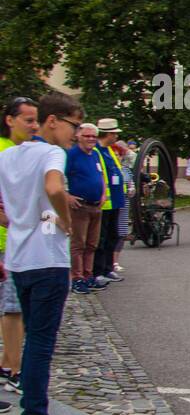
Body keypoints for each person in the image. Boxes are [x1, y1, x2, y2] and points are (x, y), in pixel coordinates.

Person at [0, 92, 84, 415]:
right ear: (53, 121)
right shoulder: (52, 152)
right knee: (40, 343)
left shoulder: (9, 155)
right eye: (73, 126)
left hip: (19, 258)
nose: (76, 134)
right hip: (47, 258)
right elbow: (53, 187)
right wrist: (65, 218)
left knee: (34, 339)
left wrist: (17, 220)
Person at [0, 96, 38, 391]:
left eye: (36, 120)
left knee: (18, 307)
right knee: (12, 309)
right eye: (28, 120)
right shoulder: (3, 151)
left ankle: (9, 363)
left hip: (21, 243)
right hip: (6, 242)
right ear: (9, 120)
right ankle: (11, 369)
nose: (34, 126)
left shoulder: (28, 152)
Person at [65, 124, 106, 294]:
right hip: (80, 205)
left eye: (93, 136)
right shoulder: (71, 155)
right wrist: (67, 196)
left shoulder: (95, 154)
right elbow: (59, 176)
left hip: (96, 205)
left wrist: (103, 194)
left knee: (91, 244)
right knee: (78, 244)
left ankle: (88, 276)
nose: (91, 139)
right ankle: (77, 278)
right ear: (78, 136)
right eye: (87, 136)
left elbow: (101, 175)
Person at [92, 119, 128, 280]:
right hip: (105, 202)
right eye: (114, 133)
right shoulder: (97, 150)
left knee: (112, 236)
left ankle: (107, 268)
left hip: (116, 200)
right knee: (102, 237)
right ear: (108, 134)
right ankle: (99, 270)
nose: (116, 137)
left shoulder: (109, 150)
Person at [111, 139, 135, 272]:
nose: (117, 157)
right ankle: (108, 262)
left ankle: (115, 262)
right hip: (111, 206)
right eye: (114, 154)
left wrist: (132, 190)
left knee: (121, 234)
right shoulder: (108, 169)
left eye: (119, 155)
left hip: (124, 206)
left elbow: (132, 186)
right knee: (110, 235)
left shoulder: (126, 170)